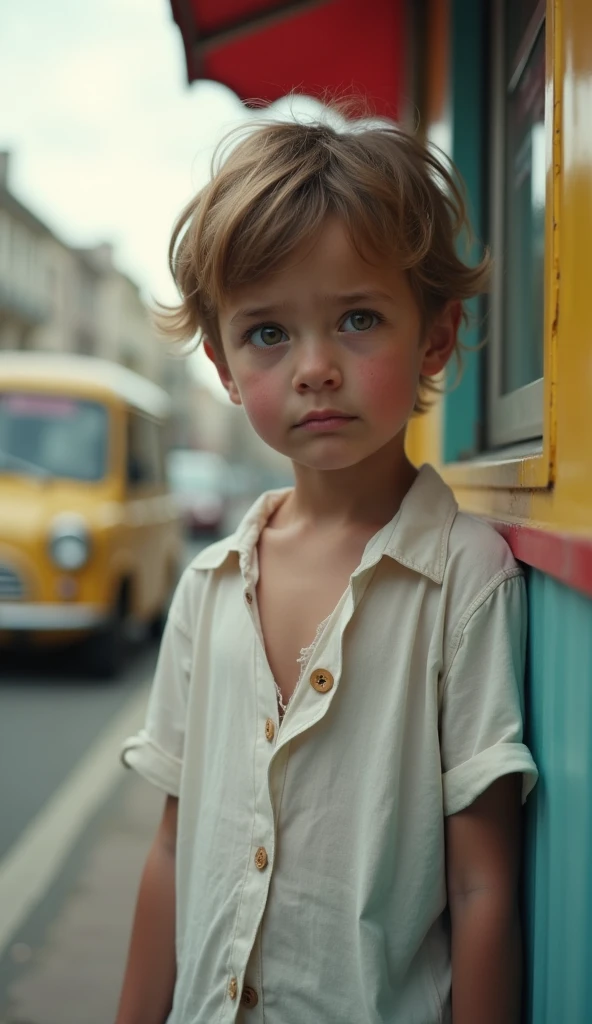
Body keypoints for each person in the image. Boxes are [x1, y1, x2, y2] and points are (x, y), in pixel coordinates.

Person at [115, 112, 538, 1024]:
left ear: (434, 337)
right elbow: (171, 848)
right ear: (225, 366)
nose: (315, 369)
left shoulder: (463, 583)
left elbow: (482, 888)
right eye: (267, 333)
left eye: (357, 319)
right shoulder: (208, 587)